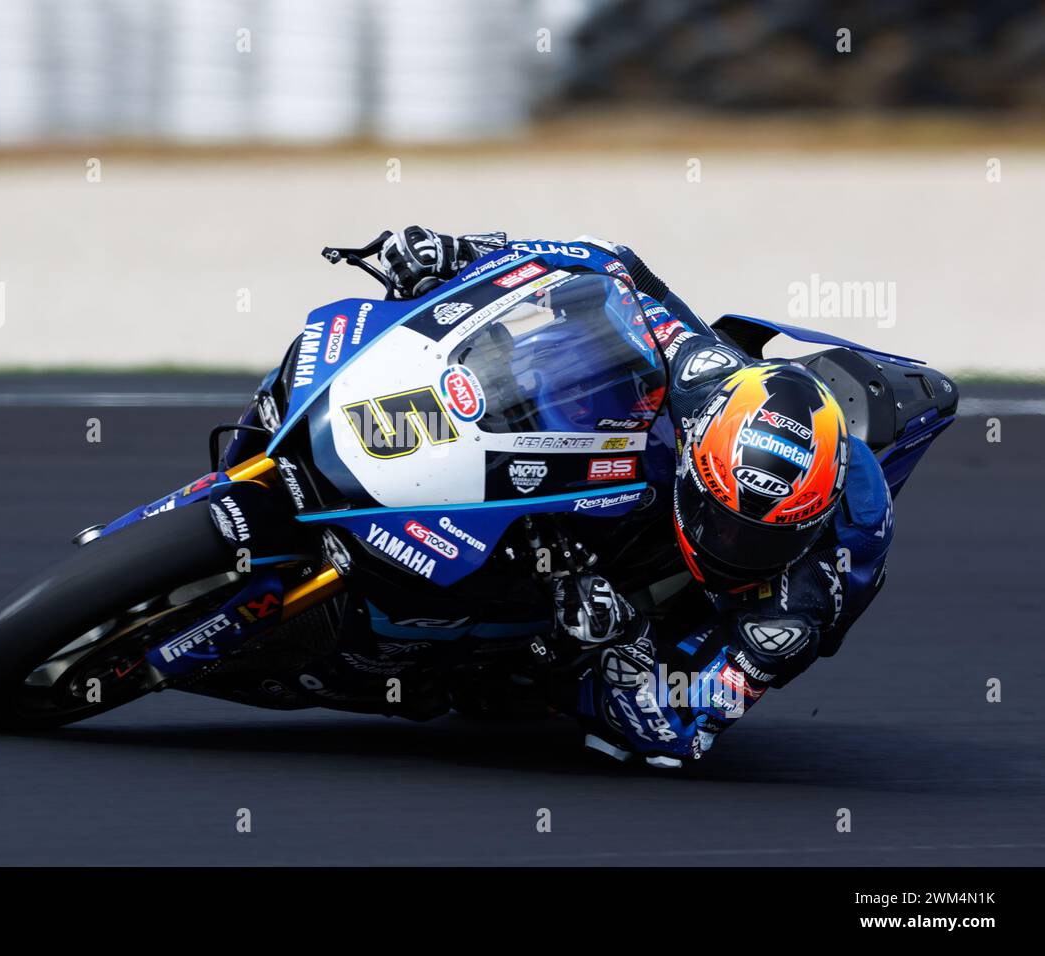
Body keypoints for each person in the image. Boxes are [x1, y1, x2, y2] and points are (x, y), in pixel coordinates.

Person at [378, 226, 894, 767]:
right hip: (664, 461)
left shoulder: (790, 613)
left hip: (688, 632)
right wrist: (460, 253)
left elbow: (680, 734)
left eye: (754, 539)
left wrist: (625, 641)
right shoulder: (704, 377)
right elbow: (605, 260)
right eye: (721, 522)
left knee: (574, 717)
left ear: (805, 529)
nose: (728, 544)